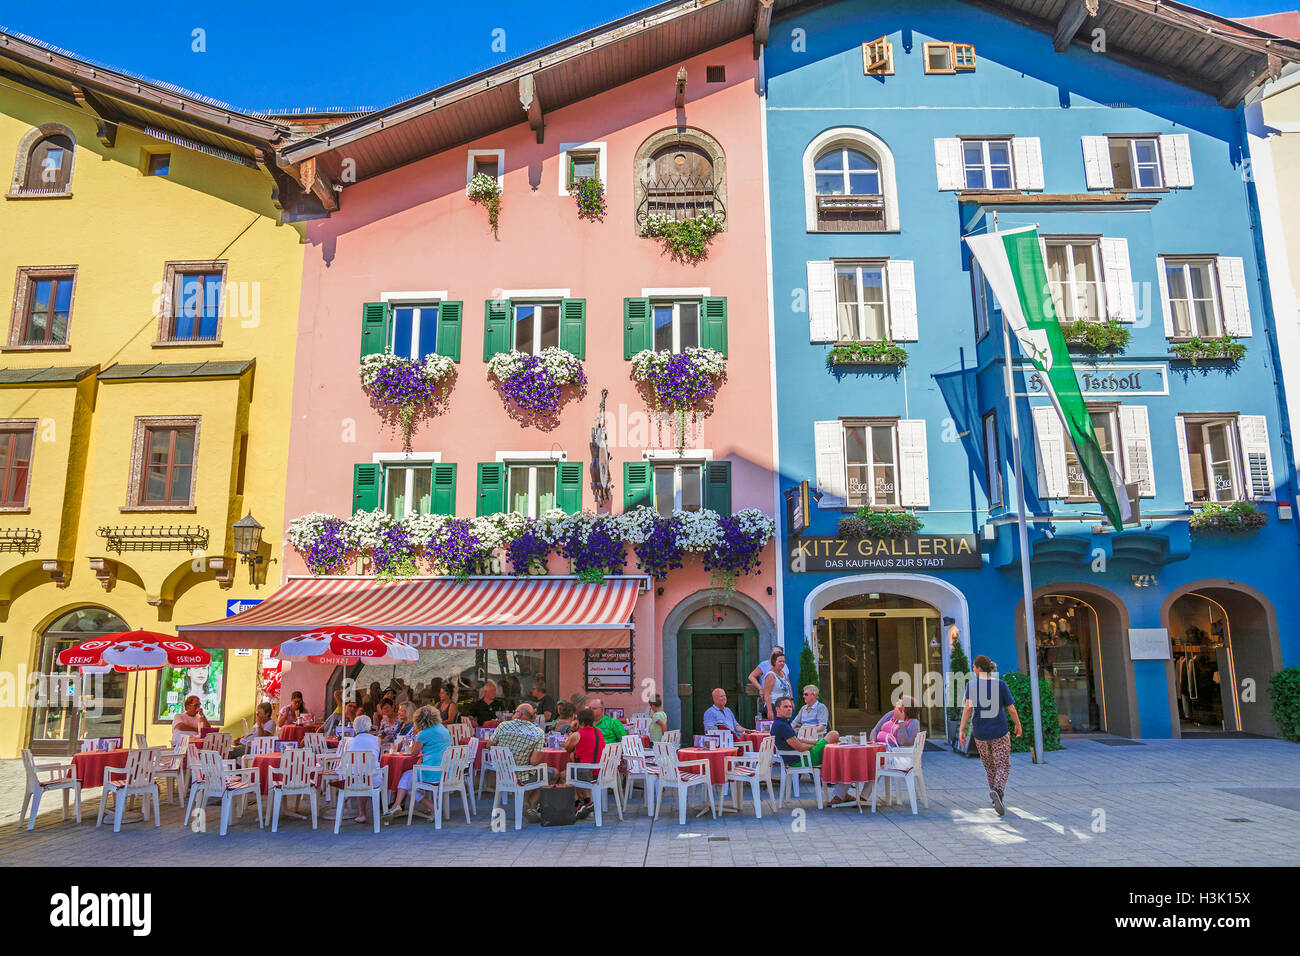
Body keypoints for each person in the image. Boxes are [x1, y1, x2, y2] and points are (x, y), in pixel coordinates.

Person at [958, 655, 1023, 817]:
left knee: (989, 766)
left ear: (979, 668)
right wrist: (1018, 724)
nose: (973, 670)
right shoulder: (1000, 685)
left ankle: (995, 796)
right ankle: (998, 792)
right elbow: (1011, 708)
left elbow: (967, 709)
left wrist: (962, 730)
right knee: (1003, 764)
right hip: (999, 731)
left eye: (973, 667)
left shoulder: (971, 685)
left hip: (980, 732)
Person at [769, 696, 848, 803]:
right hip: (802, 759)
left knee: (836, 751)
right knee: (834, 735)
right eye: (785, 707)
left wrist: (816, 743)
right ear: (777, 709)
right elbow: (800, 747)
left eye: (790, 707)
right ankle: (841, 792)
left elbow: (798, 741)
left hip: (800, 757)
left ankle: (841, 793)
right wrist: (815, 746)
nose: (789, 709)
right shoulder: (782, 726)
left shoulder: (781, 724)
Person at [386, 705, 453, 820]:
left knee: (406, 778)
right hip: (447, 770)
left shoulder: (424, 733)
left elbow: (413, 753)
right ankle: (399, 806)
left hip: (432, 772)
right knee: (408, 782)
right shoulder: (443, 729)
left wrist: (416, 739)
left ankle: (398, 805)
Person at [490, 703, 548, 822]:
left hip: (504, 775)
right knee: (552, 774)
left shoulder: (502, 726)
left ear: (519, 714)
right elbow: (534, 761)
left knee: (540, 773)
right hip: (522, 777)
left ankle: (526, 806)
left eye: (514, 712)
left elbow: (490, 745)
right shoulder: (538, 732)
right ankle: (528, 805)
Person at [564, 708, 604, 819]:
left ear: (580, 722)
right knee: (577, 770)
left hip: (587, 772)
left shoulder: (577, 734)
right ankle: (587, 802)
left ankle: (577, 804)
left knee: (564, 775)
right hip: (599, 772)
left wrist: (573, 730)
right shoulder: (598, 732)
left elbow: (567, 748)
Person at [343, 714, 383, 824]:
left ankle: (362, 813)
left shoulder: (349, 742)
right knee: (367, 773)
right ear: (369, 727)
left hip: (353, 780)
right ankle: (385, 808)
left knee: (361, 774)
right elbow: (377, 754)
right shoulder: (377, 740)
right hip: (372, 779)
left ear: (355, 728)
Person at [747, 646, 787, 719]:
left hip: (783, 703)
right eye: (774, 652)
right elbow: (751, 676)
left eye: (778, 653)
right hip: (772, 701)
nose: (776, 654)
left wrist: (791, 699)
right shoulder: (765, 666)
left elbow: (788, 682)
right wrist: (760, 688)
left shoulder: (784, 667)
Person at [761, 650, 794, 722]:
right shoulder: (771, 675)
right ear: (774, 662)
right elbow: (766, 694)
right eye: (780, 661)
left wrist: (791, 700)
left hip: (784, 705)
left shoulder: (783, 673)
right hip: (774, 706)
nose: (782, 663)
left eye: (783, 661)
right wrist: (770, 710)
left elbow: (788, 686)